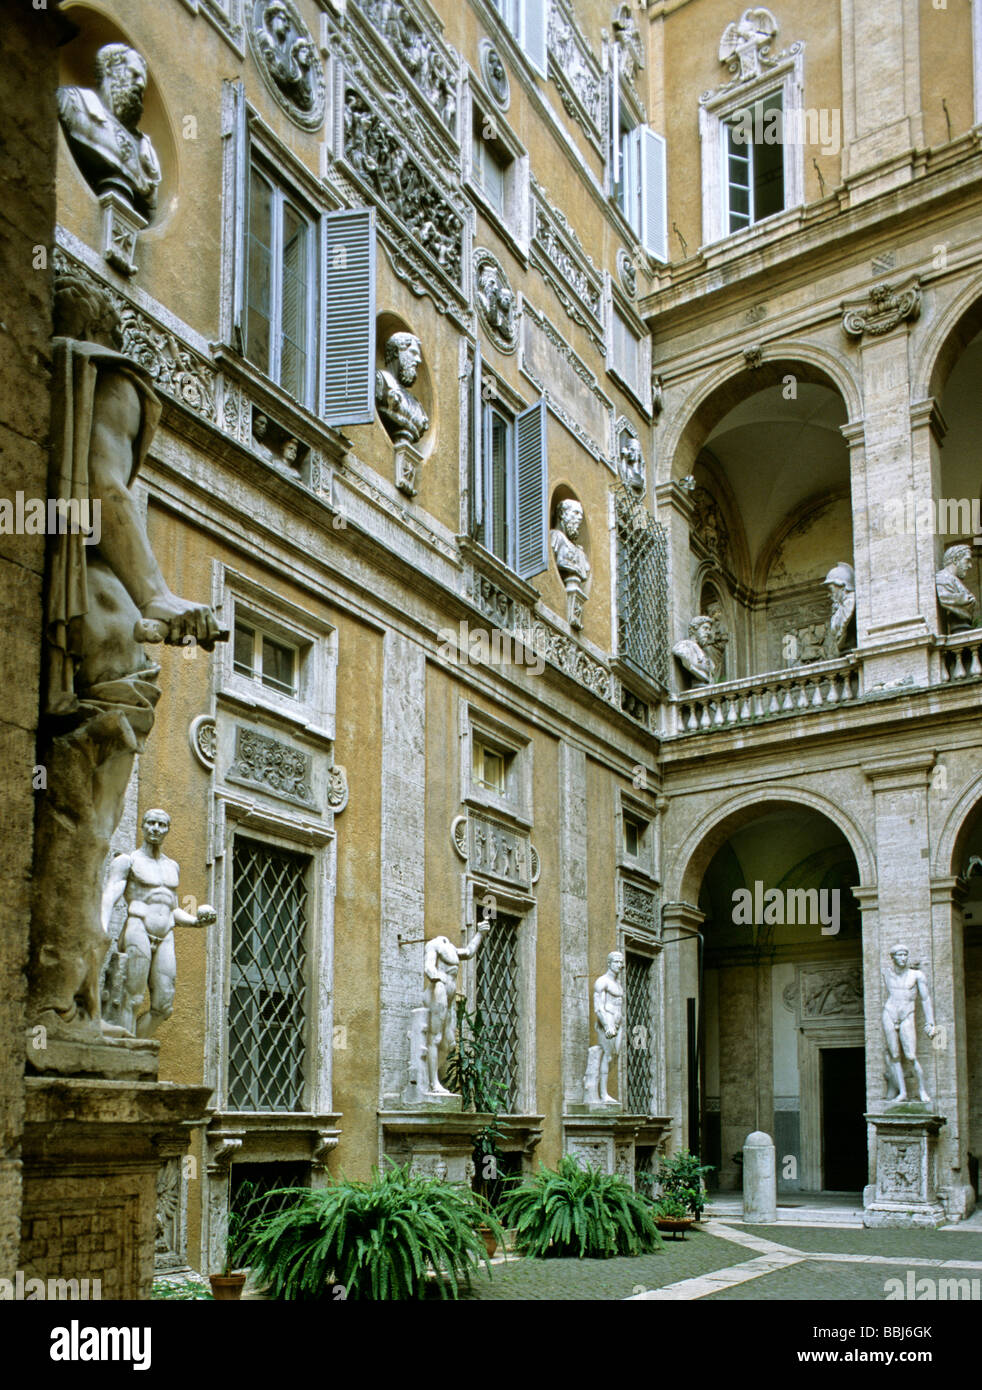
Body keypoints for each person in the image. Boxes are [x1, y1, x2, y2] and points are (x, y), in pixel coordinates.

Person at [27, 274, 222, 1044]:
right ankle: (54, 1002)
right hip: (101, 621)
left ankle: (61, 1002)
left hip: (56, 616)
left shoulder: (37, 370)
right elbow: (108, 487)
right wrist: (157, 595)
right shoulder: (106, 375)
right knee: (81, 818)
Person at [101, 810, 216, 1037]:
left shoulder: (172, 866)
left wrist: (195, 922)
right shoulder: (127, 861)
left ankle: (135, 1047)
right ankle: (125, 1054)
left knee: (164, 1006)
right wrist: (102, 928)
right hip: (138, 928)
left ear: (167, 830)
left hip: (166, 934)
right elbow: (110, 894)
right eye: (151, 823)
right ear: (142, 827)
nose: (155, 828)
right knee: (131, 998)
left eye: (161, 824)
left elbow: (172, 909)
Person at [57, 44, 161, 219]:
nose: (141, 84)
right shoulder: (72, 102)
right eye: (134, 74)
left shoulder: (145, 152)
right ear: (109, 68)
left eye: (142, 81)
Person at [422, 912, 492, 1094]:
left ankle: (430, 1075)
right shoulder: (434, 944)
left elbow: (468, 952)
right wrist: (437, 977)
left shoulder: (451, 948)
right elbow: (429, 966)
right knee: (435, 1037)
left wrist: (479, 934)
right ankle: (432, 1083)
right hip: (439, 989)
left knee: (450, 1043)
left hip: (450, 993)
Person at [882, 945, 936, 1104]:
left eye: (905, 954)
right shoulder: (887, 973)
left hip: (907, 1014)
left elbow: (925, 999)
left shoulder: (917, 975)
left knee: (911, 1056)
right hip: (889, 1012)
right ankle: (903, 1092)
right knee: (895, 1055)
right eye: (899, 955)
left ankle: (921, 1090)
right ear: (893, 958)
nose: (903, 958)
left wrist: (930, 1022)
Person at [375, 332, 429, 444]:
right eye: (413, 353)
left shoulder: (417, 405)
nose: (418, 360)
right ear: (396, 352)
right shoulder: (379, 382)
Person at [593, 951, 625, 1105]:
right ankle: (603, 1094)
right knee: (607, 1056)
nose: (620, 965)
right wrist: (607, 1025)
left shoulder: (618, 984)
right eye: (617, 962)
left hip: (618, 1022)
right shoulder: (602, 981)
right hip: (608, 1021)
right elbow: (599, 1007)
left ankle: (604, 1092)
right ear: (609, 963)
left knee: (615, 1056)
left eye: (621, 962)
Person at [935, 543, 978, 632]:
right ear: (955, 560)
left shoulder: (955, 581)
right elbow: (944, 598)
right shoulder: (942, 579)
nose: (970, 566)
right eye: (967, 560)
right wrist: (965, 599)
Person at [550, 500, 591, 584]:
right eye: (576, 513)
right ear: (562, 514)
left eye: (581, 515)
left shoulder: (580, 552)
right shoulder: (555, 536)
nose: (580, 518)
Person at [673, 615, 717, 685]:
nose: (708, 633)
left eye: (709, 630)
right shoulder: (683, 647)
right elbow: (677, 651)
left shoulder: (708, 659)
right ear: (694, 630)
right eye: (705, 628)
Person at [824, 562, 856, 653]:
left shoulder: (850, 603)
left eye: (831, 589)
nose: (829, 595)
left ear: (842, 586)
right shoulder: (839, 607)